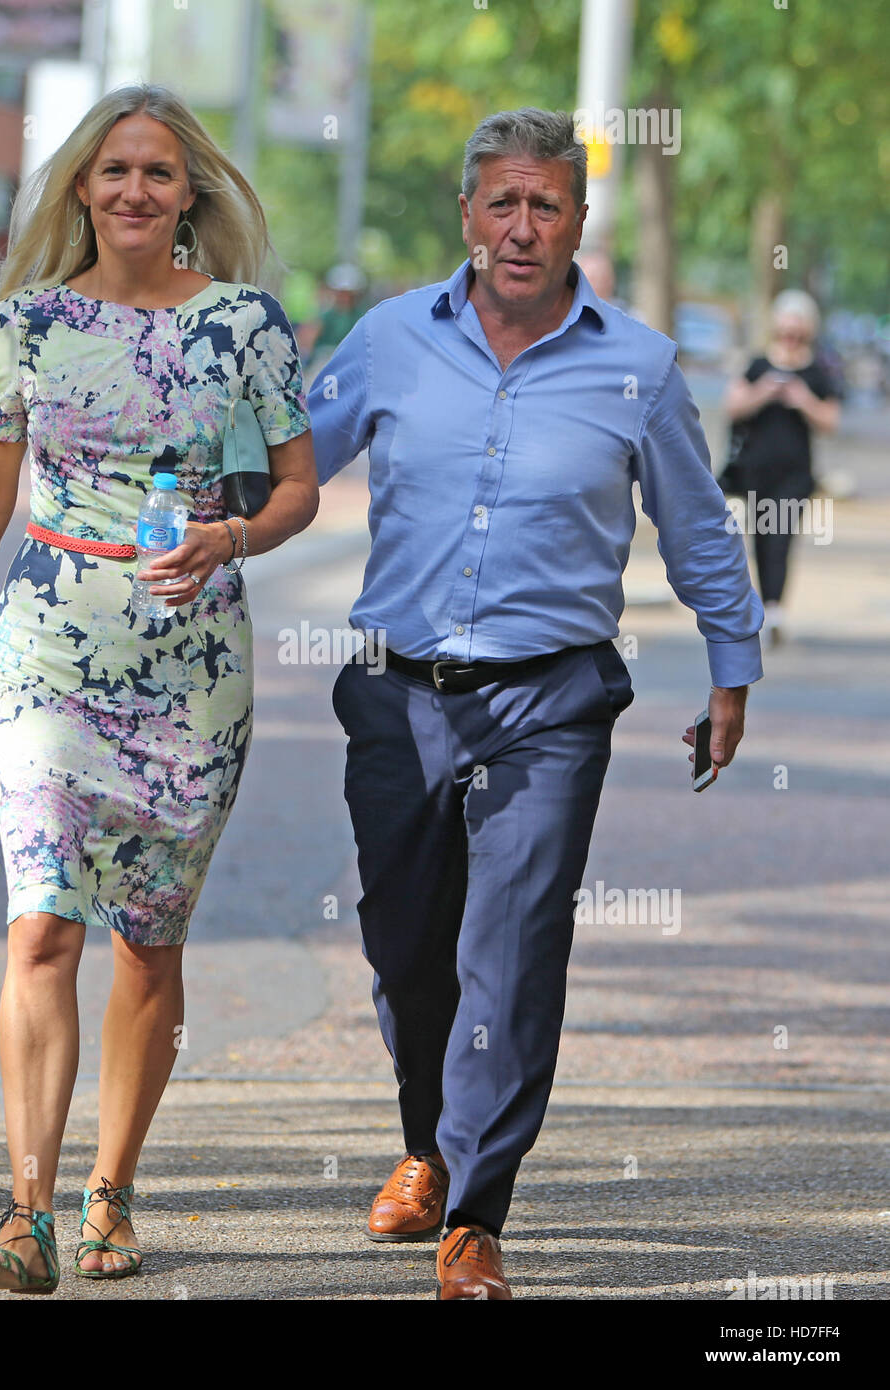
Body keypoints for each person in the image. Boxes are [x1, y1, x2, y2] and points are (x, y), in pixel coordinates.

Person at [307, 107, 763, 1299]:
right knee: (409, 947)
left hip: (552, 700)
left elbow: (697, 526)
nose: (521, 226)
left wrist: (732, 665)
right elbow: (291, 457)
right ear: (466, 213)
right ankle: (427, 1145)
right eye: (500, 202)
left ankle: (475, 1212)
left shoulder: (639, 366)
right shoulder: (394, 337)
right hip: (398, 691)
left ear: (577, 220)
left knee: (512, 946)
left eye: (545, 204)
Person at [0, 83, 317, 1293]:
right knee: (42, 923)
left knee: (145, 945)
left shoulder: (246, 324)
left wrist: (227, 542)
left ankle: (111, 1192)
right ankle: (25, 1211)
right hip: (44, 651)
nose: (135, 189)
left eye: (159, 172)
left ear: (192, 194)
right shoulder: (27, 322)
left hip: (193, 664)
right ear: (82, 185)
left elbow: (298, 491)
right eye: (114, 169)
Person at [722, 289, 841, 645]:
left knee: (781, 535)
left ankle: (774, 607)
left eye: (796, 330)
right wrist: (765, 392)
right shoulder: (759, 365)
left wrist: (801, 399)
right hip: (757, 471)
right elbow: (733, 406)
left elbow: (831, 421)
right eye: (784, 330)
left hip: (795, 474)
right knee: (761, 537)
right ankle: (767, 604)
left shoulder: (817, 371)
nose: (789, 337)